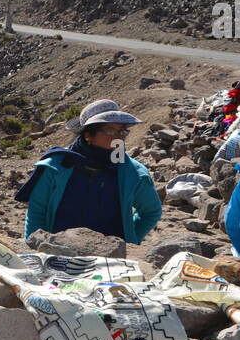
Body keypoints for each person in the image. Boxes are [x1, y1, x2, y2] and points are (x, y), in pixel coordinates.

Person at [18, 99, 162, 244]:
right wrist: (36, 248)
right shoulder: (56, 166)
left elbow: (151, 211)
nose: (118, 137)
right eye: (110, 130)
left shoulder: (133, 173)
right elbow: (37, 211)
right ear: (88, 135)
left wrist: (129, 241)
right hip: (58, 254)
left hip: (111, 259)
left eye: (122, 131)